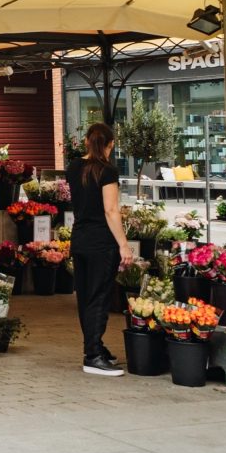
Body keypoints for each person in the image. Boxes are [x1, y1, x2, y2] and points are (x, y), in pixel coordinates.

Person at [67, 122, 133, 376]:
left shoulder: (74, 167)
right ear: (111, 144)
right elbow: (111, 210)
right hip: (101, 243)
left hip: (80, 239)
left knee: (85, 297)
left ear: (86, 141)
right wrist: (124, 245)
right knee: (99, 297)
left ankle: (95, 346)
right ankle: (93, 355)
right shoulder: (107, 171)